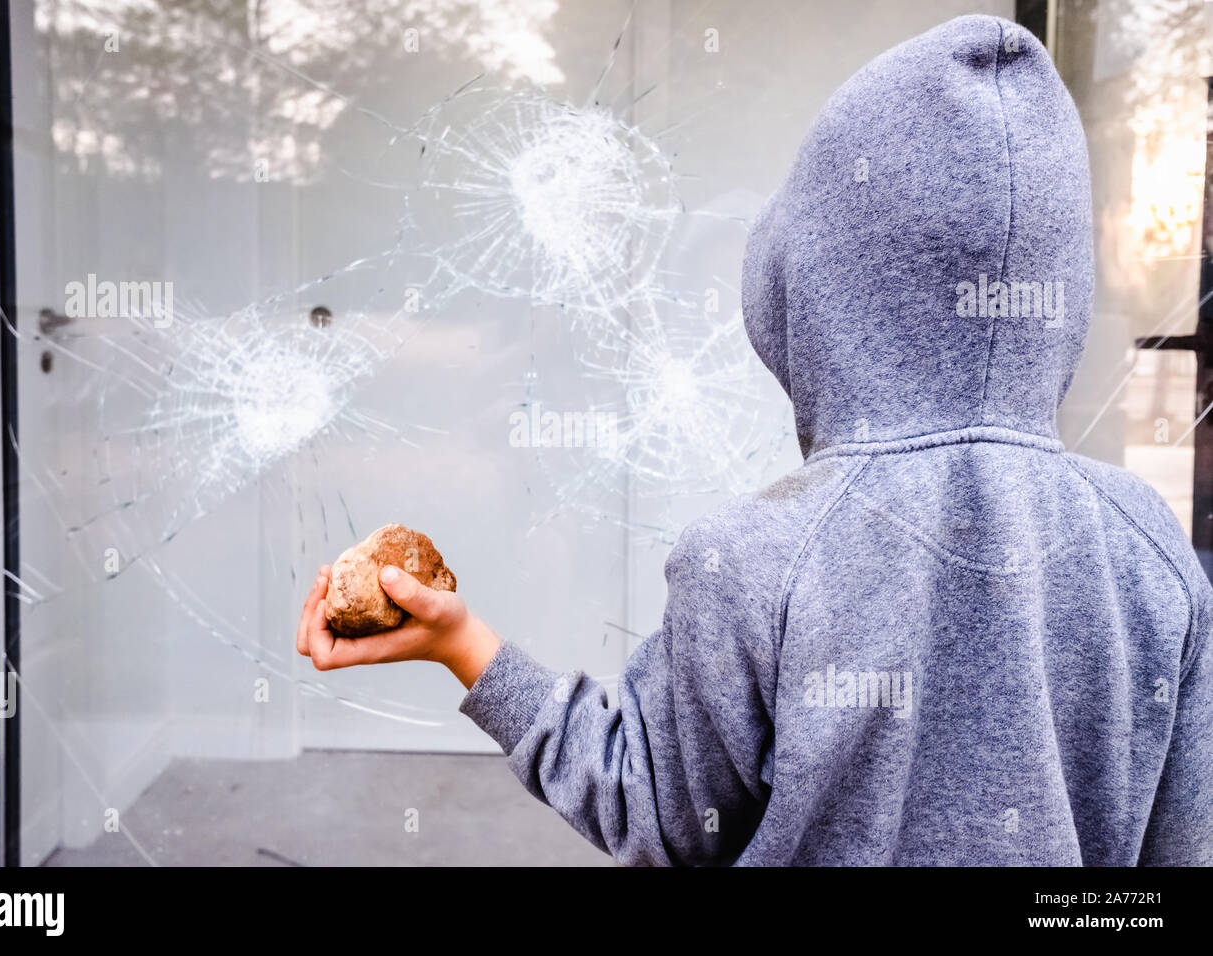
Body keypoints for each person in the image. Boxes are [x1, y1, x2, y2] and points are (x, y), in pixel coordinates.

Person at [295, 15, 1213, 865]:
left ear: (807, 281)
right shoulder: (1152, 552)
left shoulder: (759, 561)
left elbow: (655, 812)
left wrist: (465, 648)